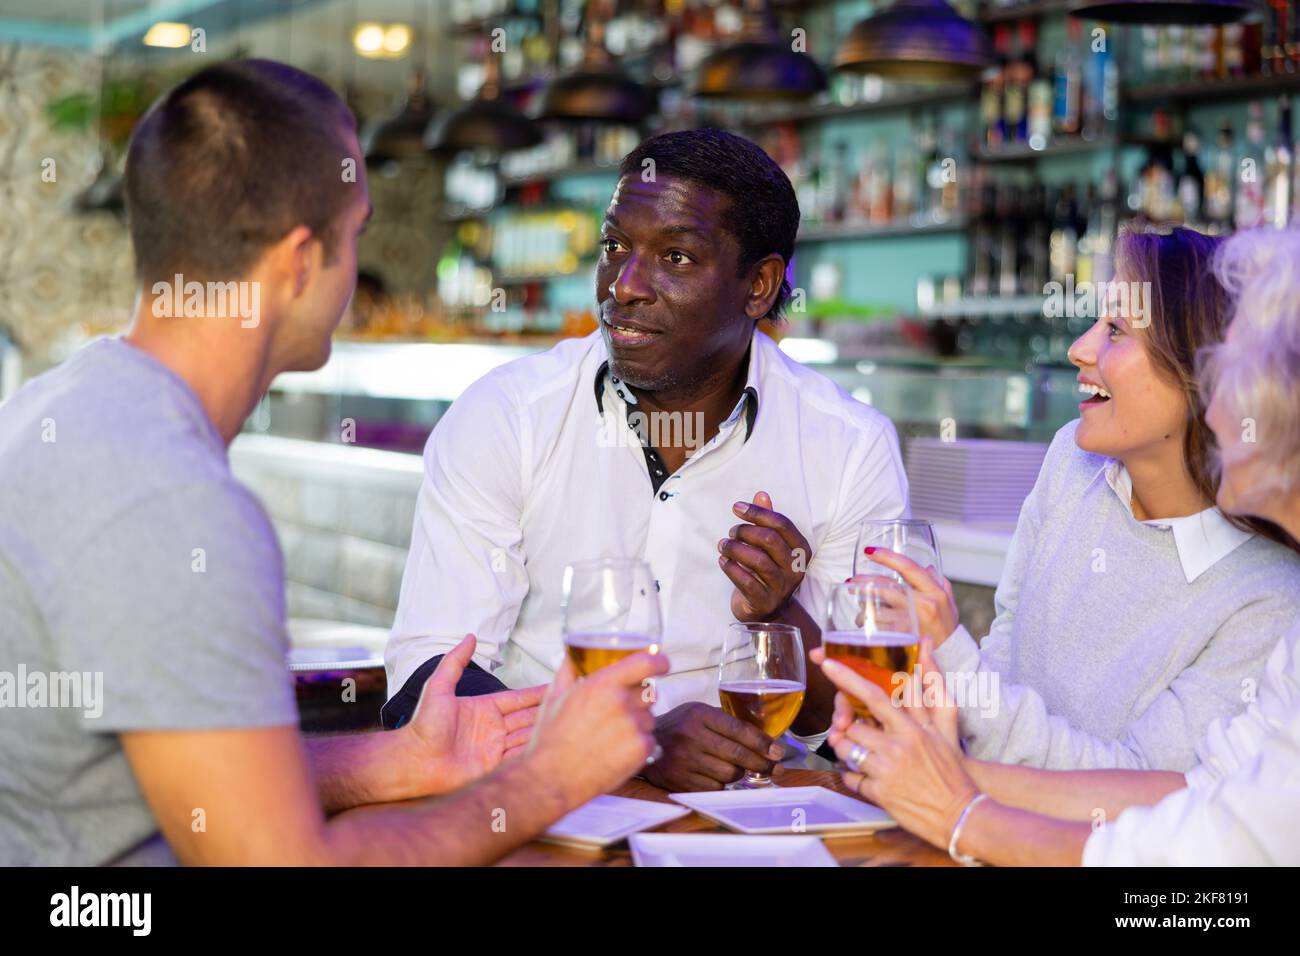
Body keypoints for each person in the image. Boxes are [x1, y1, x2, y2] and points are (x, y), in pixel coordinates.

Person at [0, 59, 666, 866]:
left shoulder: (59, 405)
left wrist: (401, 760)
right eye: (356, 234)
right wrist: (548, 780)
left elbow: (176, 782)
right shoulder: (172, 506)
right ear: (298, 262)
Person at [383, 128, 909, 791]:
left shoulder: (848, 445)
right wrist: (630, 750)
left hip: (755, 825)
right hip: (535, 811)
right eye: (615, 248)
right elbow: (431, 675)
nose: (624, 285)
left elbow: (866, 724)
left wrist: (782, 617)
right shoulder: (508, 416)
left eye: (676, 257)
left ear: (760, 286)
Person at [817, 226, 1300, 865]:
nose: (1079, 349)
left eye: (1118, 331)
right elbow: (1198, 797)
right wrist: (928, 764)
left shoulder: (1269, 598)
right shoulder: (1070, 465)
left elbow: (1167, 818)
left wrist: (960, 801)